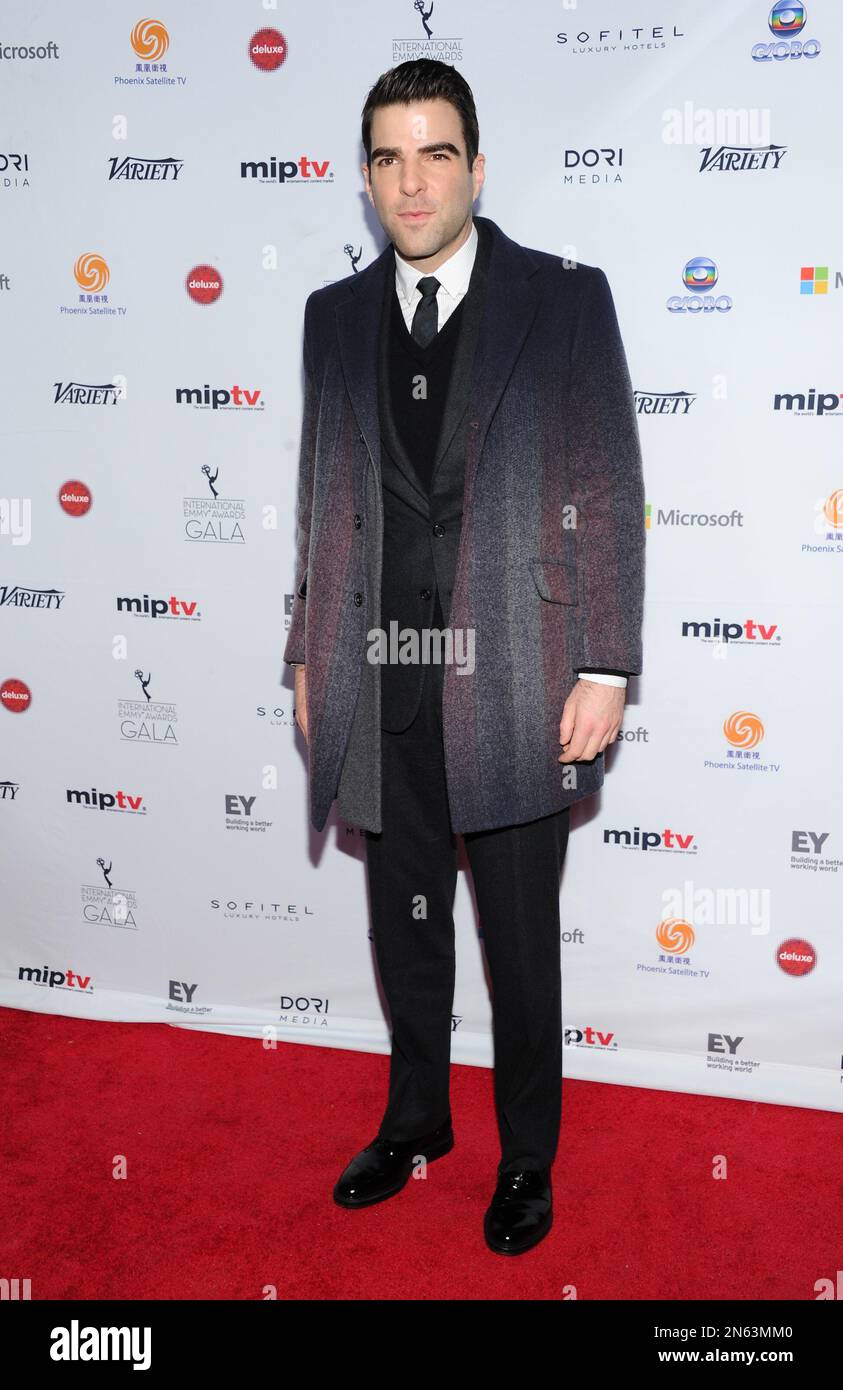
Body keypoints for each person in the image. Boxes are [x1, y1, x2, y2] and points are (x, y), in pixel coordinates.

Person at [283, 59, 645, 1255]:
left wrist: (606, 660)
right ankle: (417, 1119)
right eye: (389, 156)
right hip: (381, 668)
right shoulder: (332, 318)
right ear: (367, 178)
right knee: (408, 922)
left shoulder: (563, 297)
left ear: (476, 168)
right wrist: (304, 649)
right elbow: (320, 495)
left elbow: (605, 479)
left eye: (436, 153)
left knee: (521, 940)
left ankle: (527, 1159)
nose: (412, 179)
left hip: (524, 670)